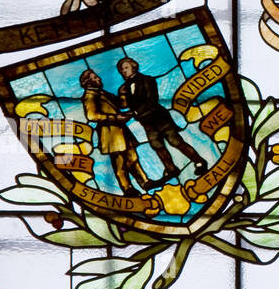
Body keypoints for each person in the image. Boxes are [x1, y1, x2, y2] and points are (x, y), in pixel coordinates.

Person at [116, 57, 209, 185]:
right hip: (147, 123)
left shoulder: (147, 79)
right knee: (157, 146)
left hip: (160, 118)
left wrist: (136, 112)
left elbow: (152, 100)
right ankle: (171, 169)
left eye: (126, 68)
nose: (123, 71)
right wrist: (122, 95)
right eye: (121, 70)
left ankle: (199, 162)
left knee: (175, 141)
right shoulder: (125, 87)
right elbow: (124, 106)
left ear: (134, 66)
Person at [80, 69, 152, 196]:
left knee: (133, 158)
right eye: (96, 77)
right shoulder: (90, 96)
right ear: (88, 82)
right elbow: (92, 115)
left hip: (121, 129)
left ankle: (145, 182)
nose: (99, 79)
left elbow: (121, 105)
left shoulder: (103, 93)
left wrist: (122, 93)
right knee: (120, 163)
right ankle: (127, 188)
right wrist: (114, 118)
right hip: (110, 133)